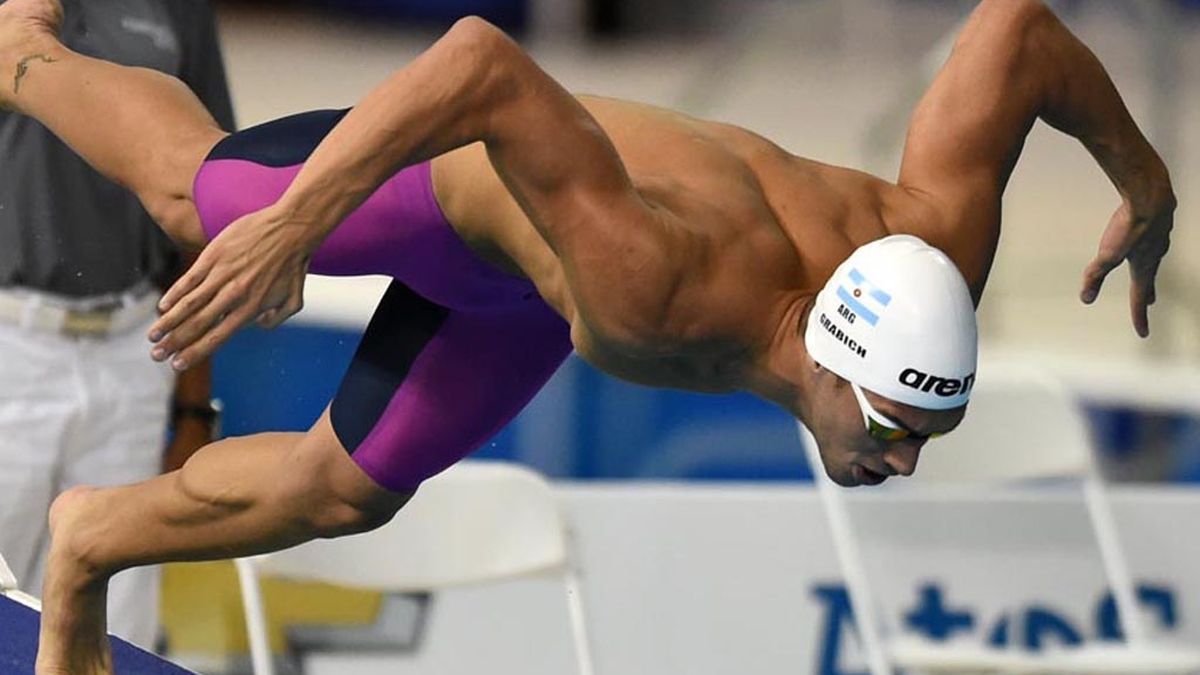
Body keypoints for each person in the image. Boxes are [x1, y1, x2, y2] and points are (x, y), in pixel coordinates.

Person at [0, 0, 1175, 671]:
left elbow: (1018, 33)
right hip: (451, 184)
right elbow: (482, 64)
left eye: (924, 432)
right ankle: (24, 52)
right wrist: (296, 222)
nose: (905, 461)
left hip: (538, 292)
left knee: (340, 492)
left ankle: (88, 543)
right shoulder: (662, 279)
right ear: (831, 356)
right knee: (185, 194)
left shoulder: (932, 258)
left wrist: (1147, 184)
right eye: (893, 426)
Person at [0, 0, 232, 652]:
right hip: (9, 341)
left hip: (137, 349)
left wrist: (194, 410)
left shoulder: (180, 9)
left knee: (119, 633)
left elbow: (206, 188)